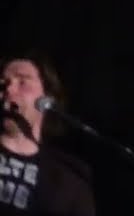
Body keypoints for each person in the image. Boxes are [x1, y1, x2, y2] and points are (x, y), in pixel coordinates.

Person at [1, 54, 94, 216]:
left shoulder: (69, 179)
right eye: (3, 83)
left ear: (47, 100)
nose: (9, 89)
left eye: (22, 82)